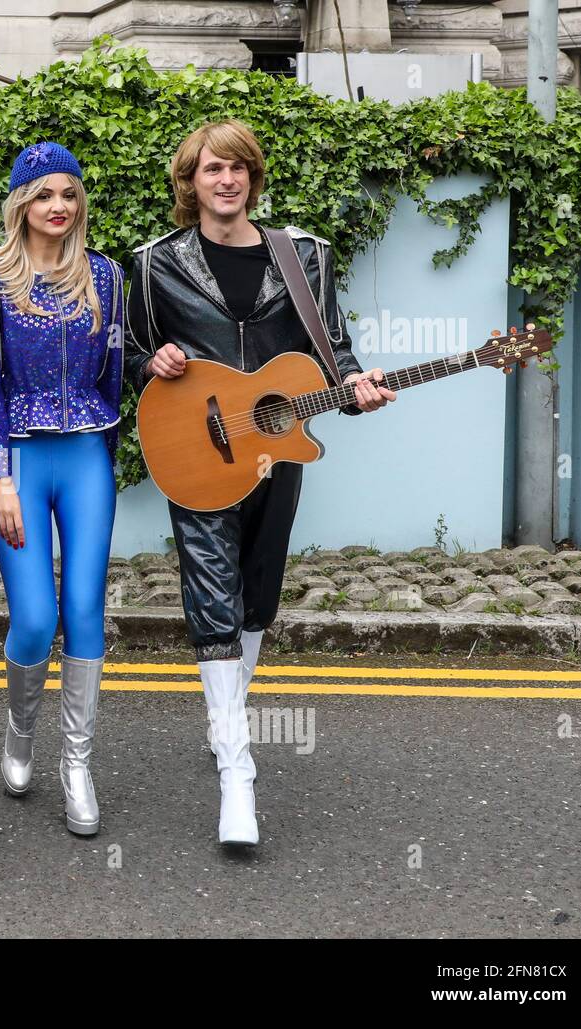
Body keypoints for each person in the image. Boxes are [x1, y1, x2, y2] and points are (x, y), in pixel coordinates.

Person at [124, 119, 394, 847]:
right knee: (212, 594)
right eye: (213, 168)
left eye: (239, 167)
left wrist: (357, 384)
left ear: (253, 176)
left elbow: (330, 346)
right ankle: (236, 772)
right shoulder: (155, 263)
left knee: (257, 596)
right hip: (198, 452)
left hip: (276, 449)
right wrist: (154, 363)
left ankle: (226, 726)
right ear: (191, 180)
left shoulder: (304, 254)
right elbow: (128, 351)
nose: (227, 180)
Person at [0, 142, 124, 836]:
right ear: (20, 202)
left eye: (69, 193)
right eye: (44, 193)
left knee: (85, 608)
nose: (58, 205)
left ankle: (77, 765)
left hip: (87, 451)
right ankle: (21, 727)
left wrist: (107, 458)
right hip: (20, 461)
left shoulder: (107, 276)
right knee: (34, 617)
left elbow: (114, 372)